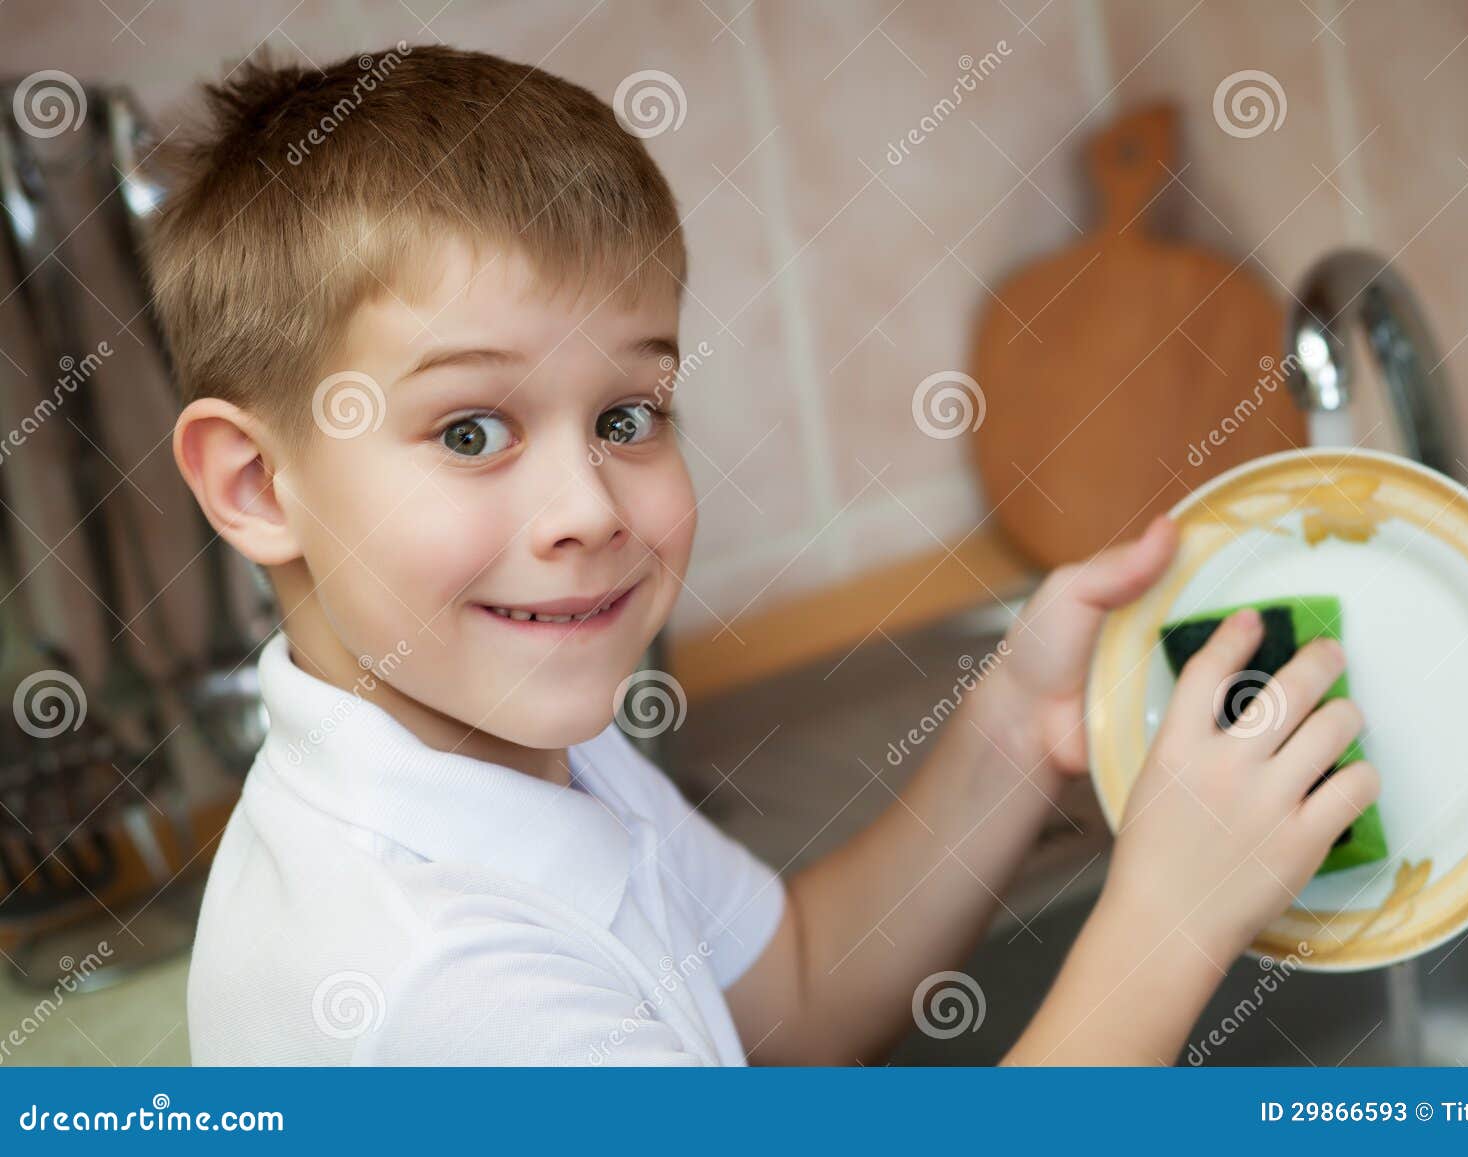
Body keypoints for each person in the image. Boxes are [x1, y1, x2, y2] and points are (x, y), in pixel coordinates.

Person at [154, 43, 1378, 1065]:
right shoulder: (442, 987)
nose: (587, 505)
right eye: (472, 429)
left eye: (627, 416)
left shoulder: (515, 744)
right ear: (257, 483)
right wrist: (1168, 917)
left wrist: (1013, 724)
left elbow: (786, 992)